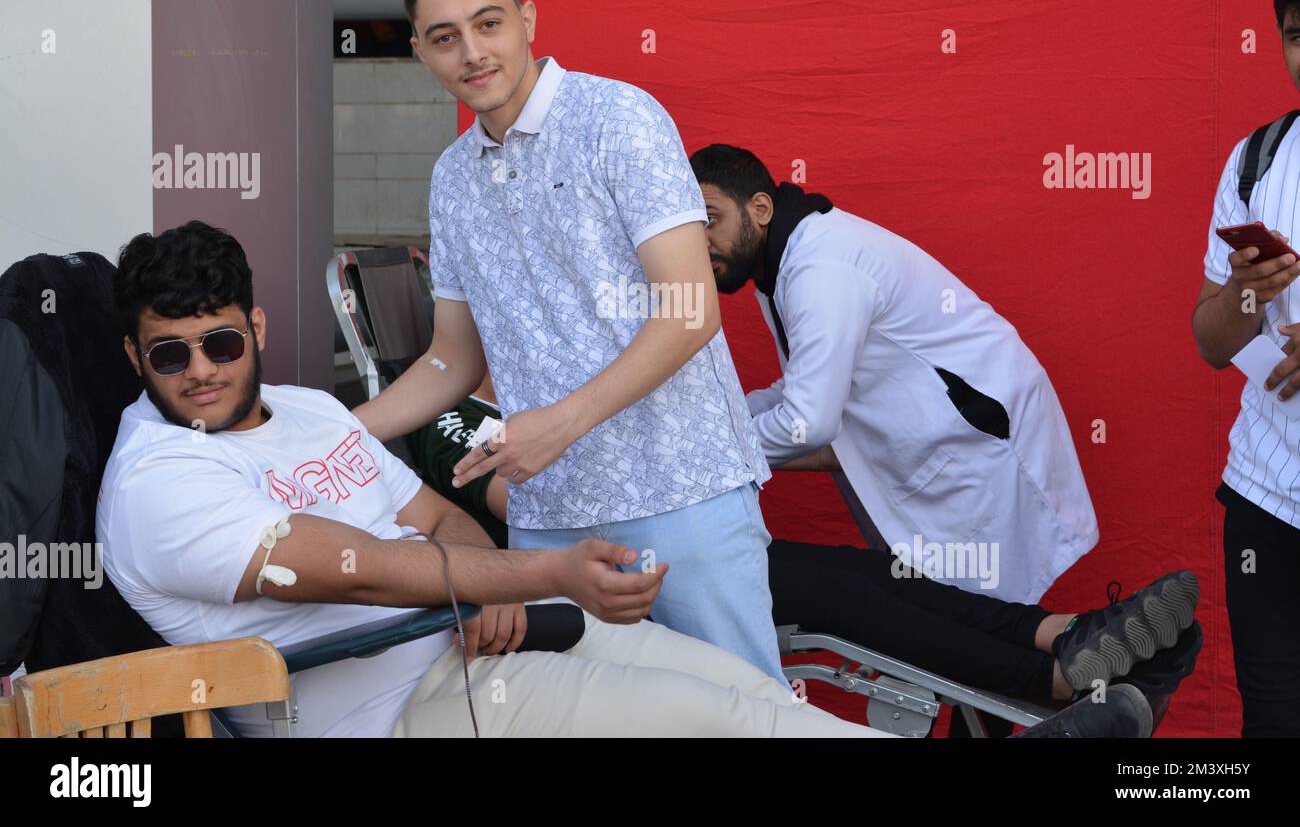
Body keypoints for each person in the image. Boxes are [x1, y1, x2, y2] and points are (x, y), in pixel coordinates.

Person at [97, 222, 1151, 738]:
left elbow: (432, 518)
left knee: (750, 687)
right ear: (135, 360)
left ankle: (1035, 660)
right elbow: (367, 572)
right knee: (731, 725)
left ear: (259, 329)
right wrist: (528, 573)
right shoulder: (159, 483)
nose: (200, 373)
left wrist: (493, 587)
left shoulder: (315, 407)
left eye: (219, 343)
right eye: (169, 355)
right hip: (404, 699)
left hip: (486, 632)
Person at [351, 0, 785, 681]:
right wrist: (328, 433)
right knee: (586, 722)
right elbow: (454, 358)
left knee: (747, 719)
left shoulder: (619, 118)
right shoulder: (452, 177)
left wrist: (559, 423)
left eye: (488, 24)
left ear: (527, 21)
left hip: (681, 489)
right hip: (548, 517)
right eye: (446, 37)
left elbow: (690, 312)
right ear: (421, 51)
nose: (472, 53)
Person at [406, 376, 1203, 732]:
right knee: (846, 603)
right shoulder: (438, 422)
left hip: (675, 537)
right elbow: (526, 502)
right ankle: (1052, 678)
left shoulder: (516, 385)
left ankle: (1061, 632)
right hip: (630, 567)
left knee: (864, 573)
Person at [687, 144, 1099, 606]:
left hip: (977, 437)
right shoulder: (786, 262)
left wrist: (704, 451)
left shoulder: (819, 265)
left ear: (759, 208)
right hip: (945, 441)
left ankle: (1084, 658)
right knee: (967, 626)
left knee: (984, 628)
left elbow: (812, 421)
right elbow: (805, 387)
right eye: (687, 226)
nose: (698, 241)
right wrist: (714, 422)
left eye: (710, 218)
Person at [1192, 0, 1300, 737]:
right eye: (1296, 33)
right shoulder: (1257, 159)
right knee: (1274, 717)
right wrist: (1243, 291)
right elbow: (1210, 339)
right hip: (1269, 494)